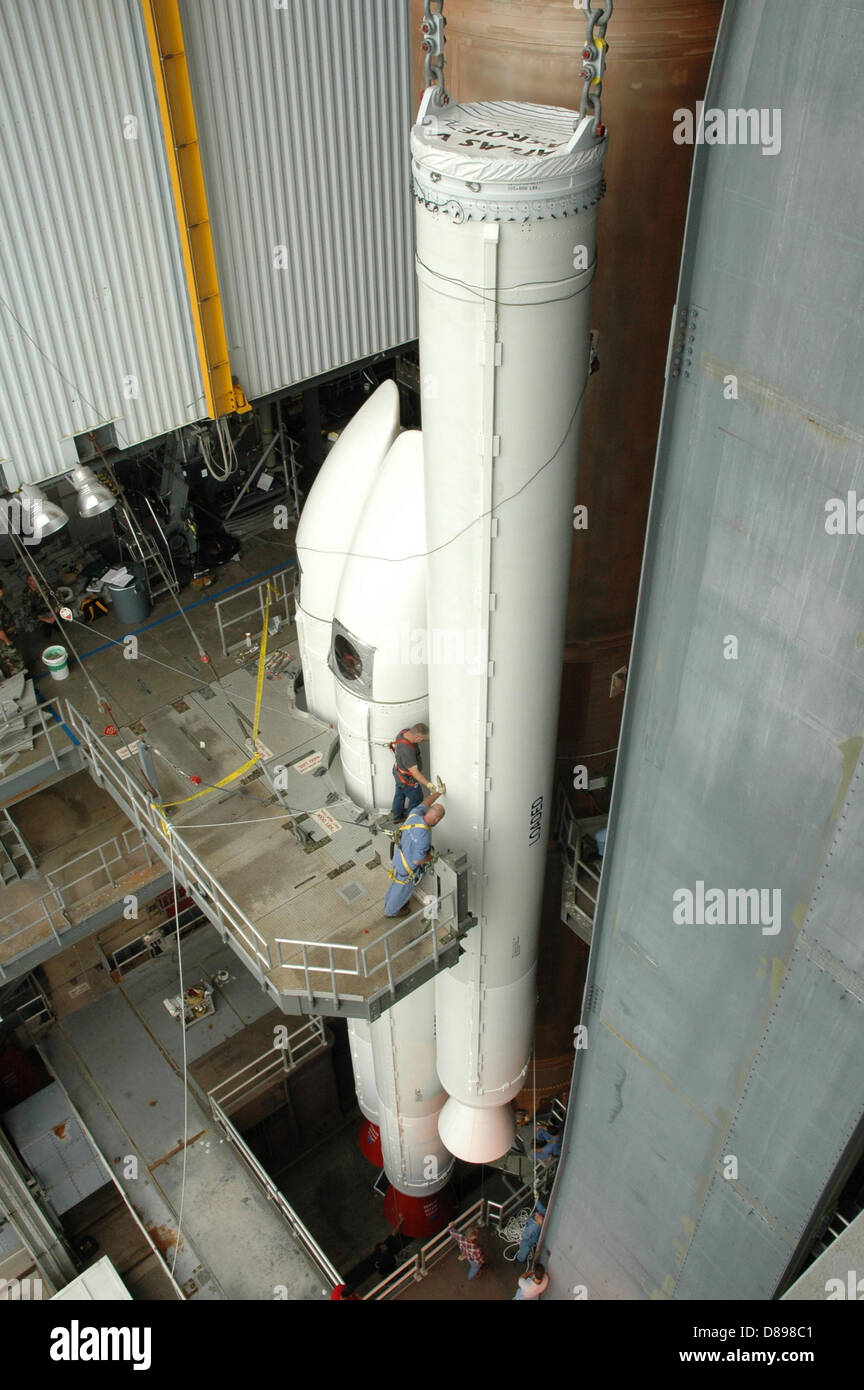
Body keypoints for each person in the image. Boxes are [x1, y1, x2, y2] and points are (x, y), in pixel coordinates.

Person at [383, 789, 445, 918]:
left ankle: (388, 902)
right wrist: (431, 857)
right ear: (437, 819)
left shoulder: (414, 815)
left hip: (398, 857)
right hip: (406, 869)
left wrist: (438, 793)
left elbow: (425, 803)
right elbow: (417, 861)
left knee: (395, 882)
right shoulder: (424, 837)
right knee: (401, 889)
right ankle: (391, 911)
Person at [390, 724, 434, 818]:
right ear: (417, 737)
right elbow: (415, 773)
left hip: (398, 773)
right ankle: (410, 820)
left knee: (400, 793)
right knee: (417, 798)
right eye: (422, 740)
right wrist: (429, 784)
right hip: (407, 779)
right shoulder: (407, 751)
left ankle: (396, 815)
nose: (421, 742)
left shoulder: (404, 732)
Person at [0, 583, 25, 679]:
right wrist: (7, 642)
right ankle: (20, 680)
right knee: (16, 663)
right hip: (4, 642)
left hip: (8, 636)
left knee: (12, 661)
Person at [371, 1213, 406, 1278]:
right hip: (390, 1270)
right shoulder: (383, 1261)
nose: (385, 1246)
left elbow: (393, 1233)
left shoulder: (386, 1244)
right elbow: (380, 1273)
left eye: (384, 1245)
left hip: (392, 1262)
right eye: (383, 1247)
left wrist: (400, 1222)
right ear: (382, 1251)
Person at [516, 1199, 547, 1264]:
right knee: (524, 1246)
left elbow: (525, 1235)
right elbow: (541, 1209)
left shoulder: (533, 1227)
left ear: (538, 1222)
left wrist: (522, 1238)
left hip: (529, 1240)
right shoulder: (543, 1216)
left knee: (524, 1247)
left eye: (538, 1217)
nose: (538, 1214)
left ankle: (520, 1259)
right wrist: (537, 1200)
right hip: (534, 1235)